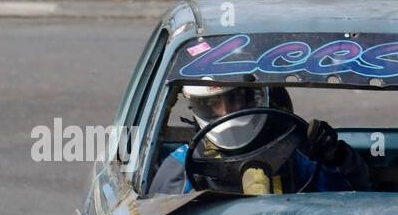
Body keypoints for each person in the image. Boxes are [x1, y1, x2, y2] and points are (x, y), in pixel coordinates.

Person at [149, 82, 369, 195]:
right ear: (197, 105)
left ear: (257, 95)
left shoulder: (297, 153)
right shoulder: (182, 166)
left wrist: (334, 157)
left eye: (235, 98)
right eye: (213, 103)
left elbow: (347, 205)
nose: (227, 112)